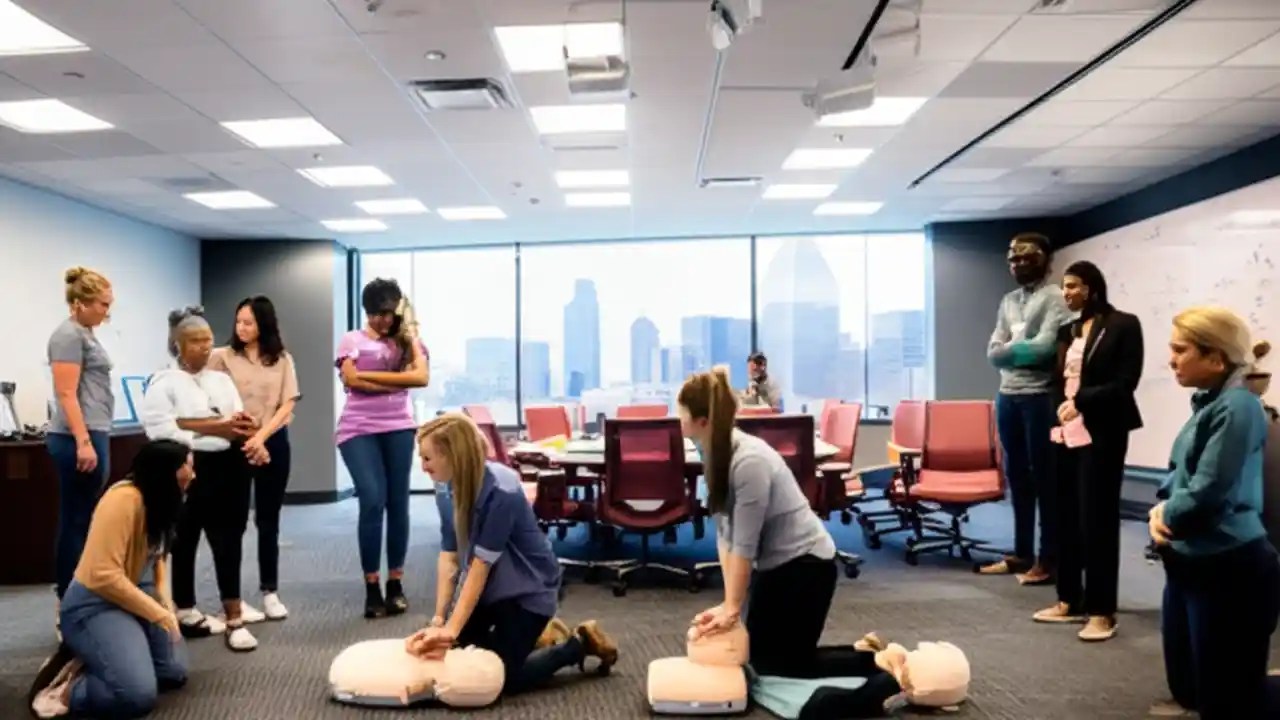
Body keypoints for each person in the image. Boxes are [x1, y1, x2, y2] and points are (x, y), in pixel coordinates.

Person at [404, 413, 618, 696]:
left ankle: (577, 644)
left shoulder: (500, 490)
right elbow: (450, 557)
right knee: (456, 656)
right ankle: (538, 637)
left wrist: (452, 630)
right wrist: (440, 621)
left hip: (528, 593)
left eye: (428, 459)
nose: (423, 467)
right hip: (490, 592)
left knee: (497, 677)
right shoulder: (446, 489)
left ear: (452, 455)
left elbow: (480, 567)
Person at [1148, 306, 1279, 719]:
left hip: (1230, 568)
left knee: (1230, 700)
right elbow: (1179, 475)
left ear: (1215, 359)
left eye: (1179, 349)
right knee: (1191, 688)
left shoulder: (1238, 406)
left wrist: (1167, 513)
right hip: (1190, 563)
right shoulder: (1208, 404)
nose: (1171, 359)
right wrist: (1162, 507)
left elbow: (1208, 493)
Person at [678, 367, 838, 677]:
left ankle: (879, 663)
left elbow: (744, 544)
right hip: (774, 565)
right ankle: (864, 652)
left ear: (703, 422)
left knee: (786, 667)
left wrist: (733, 608)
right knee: (759, 661)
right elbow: (725, 535)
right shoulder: (716, 455)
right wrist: (728, 605)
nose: (679, 422)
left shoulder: (749, 462)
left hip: (806, 566)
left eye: (681, 414)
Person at [28, 440, 193, 720]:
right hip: (95, 604)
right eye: (188, 467)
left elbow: (158, 560)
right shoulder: (123, 500)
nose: (193, 474)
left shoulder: (164, 498)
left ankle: (100, 659)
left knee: (172, 673)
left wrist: (166, 606)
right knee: (135, 695)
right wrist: (159, 615)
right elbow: (104, 576)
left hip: (133, 595)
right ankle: (67, 687)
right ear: (166, 471)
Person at [141, 307, 267, 652]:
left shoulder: (221, 380)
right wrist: (213, 425)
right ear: (178, 345)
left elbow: (231, 421)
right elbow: (162, 429)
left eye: (208, 341)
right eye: (195, 341)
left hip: (228, 464)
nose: (203, 347)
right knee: (185, 539)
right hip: (189, 465)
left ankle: (234, 616)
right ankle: (186, 608)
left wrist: (244, 428)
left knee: (229, 540)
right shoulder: (162, 383)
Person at [1033, 261, 1143, 642]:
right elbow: (1056, 380)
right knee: (1065, 514)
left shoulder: (1124, 325)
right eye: (1064, 287)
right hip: (1065, 431)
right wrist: (1057, 413)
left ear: (1093, 286)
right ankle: (1069, 600)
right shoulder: (1068, 330)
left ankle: (1101, 611)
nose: (1067, 293)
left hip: (1103, 431)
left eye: (1074, 286)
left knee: (1096, 519)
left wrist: (1081, 400)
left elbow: (1126, 383)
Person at [980, 233, 1071, 584]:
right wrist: (1015, 349)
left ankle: (1048, 559)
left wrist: (1009, 351)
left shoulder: (1056, 299)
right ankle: (1021, 553)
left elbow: (1045, 349)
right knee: (1017, 477)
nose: (1018, 264)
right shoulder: (1008, 301)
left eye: (1026, 258)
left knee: (1046, 479)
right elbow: (991, 351)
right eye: (1013, 259)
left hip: (1041, 397)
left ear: (1046, 262)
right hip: (1008, 396)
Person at [336, 279, 429, 618]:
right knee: (373, 499)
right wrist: (396, 380)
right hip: (357, 428)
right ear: (367, 312)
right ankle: (372, 587)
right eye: (376, 315)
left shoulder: (410, 341)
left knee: (398, 501)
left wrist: (373, 380)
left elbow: (421, 379)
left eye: (388, 314)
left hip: (399, 427)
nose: (383, 321)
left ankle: (396, 584)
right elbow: (351, 380)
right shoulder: (352, 339)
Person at [208, 296, 300, 622]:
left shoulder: (281, 359)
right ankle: (230, 599)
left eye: (249, 322)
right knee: (232, 522)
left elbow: (287, 404)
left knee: (268, 520)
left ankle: (270, 591)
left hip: (273, 441)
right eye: (238, 322)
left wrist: (261, 438)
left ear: (264, 324)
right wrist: (247, 438)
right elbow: (208, 397)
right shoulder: (221, 357)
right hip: (235, 446)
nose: (242, 328)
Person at [47, 267, 115, 614]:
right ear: (79, 304)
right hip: (76, 436)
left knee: (86, 518)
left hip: (93, 431)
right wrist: (83, 441)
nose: (108, 311)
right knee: (76, 519)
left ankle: (84, 596)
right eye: (103, 304)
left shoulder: (86, 333)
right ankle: (68, 603)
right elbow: (66, 393)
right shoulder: (68, 336)